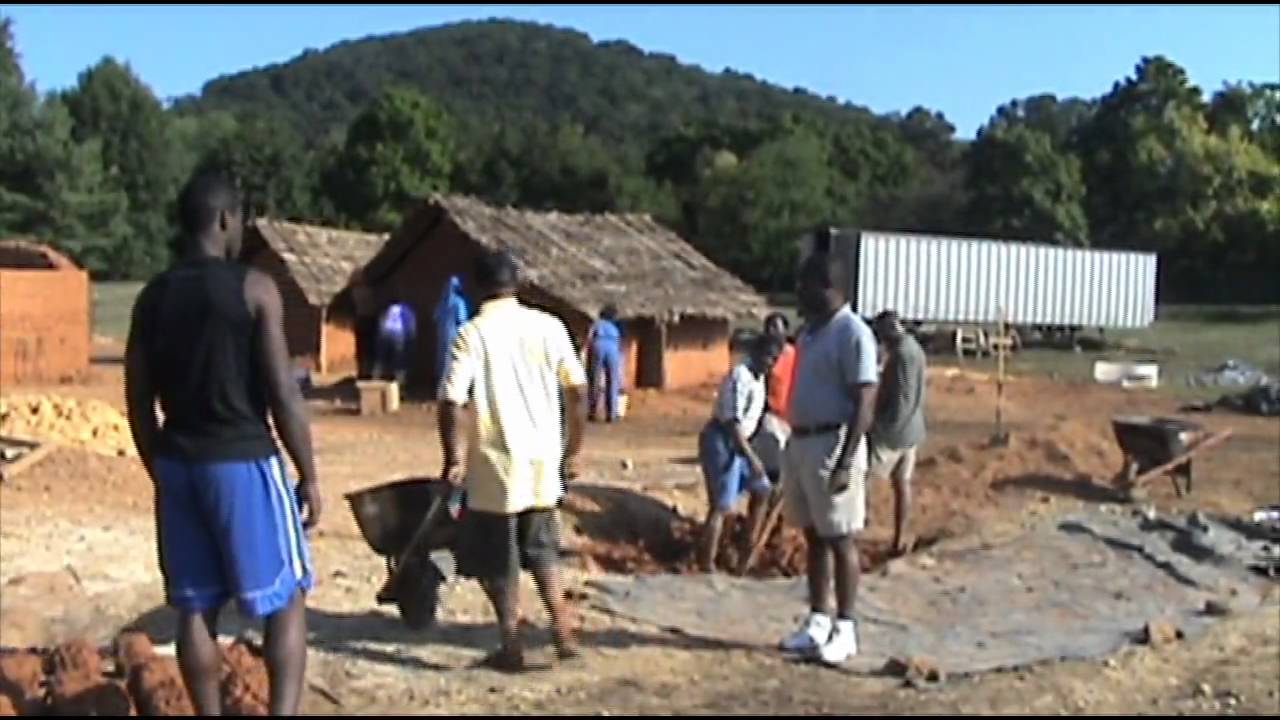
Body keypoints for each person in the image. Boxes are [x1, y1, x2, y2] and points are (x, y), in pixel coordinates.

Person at [124, 170, 320, 716]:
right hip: (244, 463)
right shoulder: (254, 289)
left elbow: (137, 400)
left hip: (179, 465)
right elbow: (283, 393)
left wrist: (159, 465)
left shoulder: (151, 299)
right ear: (225, 219)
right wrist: (310, 475)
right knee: (287, 598)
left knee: (194, 607)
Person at [438, 250, 588, 672]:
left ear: (476, 287)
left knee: (498, 558)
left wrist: (453, 456)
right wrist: (572, 448)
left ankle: (511, 644)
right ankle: (561, 627)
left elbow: (451, 401)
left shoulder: (473, 334)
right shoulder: (549, 326)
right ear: (518, 283)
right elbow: (577, 391)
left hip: (495, 466)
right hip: (543, 461)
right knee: (542, 548)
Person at [778, 252, 878, 667]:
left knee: (840, 537)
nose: (799, 292)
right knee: (814, 535)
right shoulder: (812, 334)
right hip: (802, 442)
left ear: (827, 287)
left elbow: (865, 400)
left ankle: (846, 627)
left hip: (833, 442)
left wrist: (845, 460)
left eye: (805, 285)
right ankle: (818, 620)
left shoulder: (853, 333)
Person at [697, 334, 785, 572]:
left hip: (744, 442)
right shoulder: (740, 377)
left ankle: (745, 549)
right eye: (767, 357)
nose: (770, 363)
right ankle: (707, 563)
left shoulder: (760, 380)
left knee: (763, 490)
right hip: (723, 440)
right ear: (755, 353)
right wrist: (752, 457)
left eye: (774, 359)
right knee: (721, 505)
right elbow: (732, 424)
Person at [869, 310, 927, 557]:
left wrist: (879, 427)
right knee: (902, 485)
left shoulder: (902, 355)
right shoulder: (914, 348)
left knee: (859, 479)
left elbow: (901, 399)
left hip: (894, 432)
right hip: (912, 430)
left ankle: (852, 533)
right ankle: (899, 537)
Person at [753, 313, 797, 485]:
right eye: (768, 327)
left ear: (786, 331)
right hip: (771, 416)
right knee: (771, 470)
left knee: (789, 471)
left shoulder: (795, 354)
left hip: (792, 418)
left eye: (776, 327)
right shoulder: (763, 355)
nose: (771, 331)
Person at [586, 304, 623, 422]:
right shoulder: (616, 325)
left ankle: (593, 411)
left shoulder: (597, 324)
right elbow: (620, 340)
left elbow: (590, 337)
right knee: (612, 381)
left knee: (594, 379)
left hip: (598, 346)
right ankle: (611, 413)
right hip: (613, 348)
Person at [434, 275, 470, 391]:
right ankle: (452, 390)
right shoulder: (459, 302)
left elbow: (435, 317)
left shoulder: (442, 302)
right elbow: (462, 320)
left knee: (442, 361)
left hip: (442, 336)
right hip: (455, 336)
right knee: (455, 363)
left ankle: (441, 388)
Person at [372, 298, 417, 386]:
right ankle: (400, 386)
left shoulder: (386, 310)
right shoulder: (407, 310)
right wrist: (411, 342)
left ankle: (374, 382)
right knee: (400, 362)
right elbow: (411, 328)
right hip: (399, 336)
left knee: (380, 360)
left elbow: (380, 325)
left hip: (384, 335)